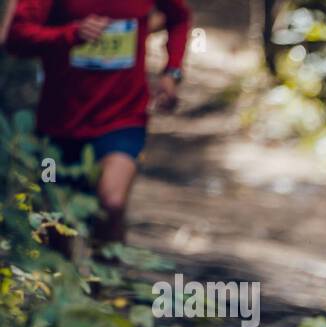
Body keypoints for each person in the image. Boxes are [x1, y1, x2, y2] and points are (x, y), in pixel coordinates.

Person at [7, 1, 191, 245]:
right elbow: (15, 38)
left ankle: (106, 277)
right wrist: (70, 34)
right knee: (50, 219)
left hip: (123, 119)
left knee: (112, 204)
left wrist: (172, 72)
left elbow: (180, 17)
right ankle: (61, 278)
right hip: (54, 131)